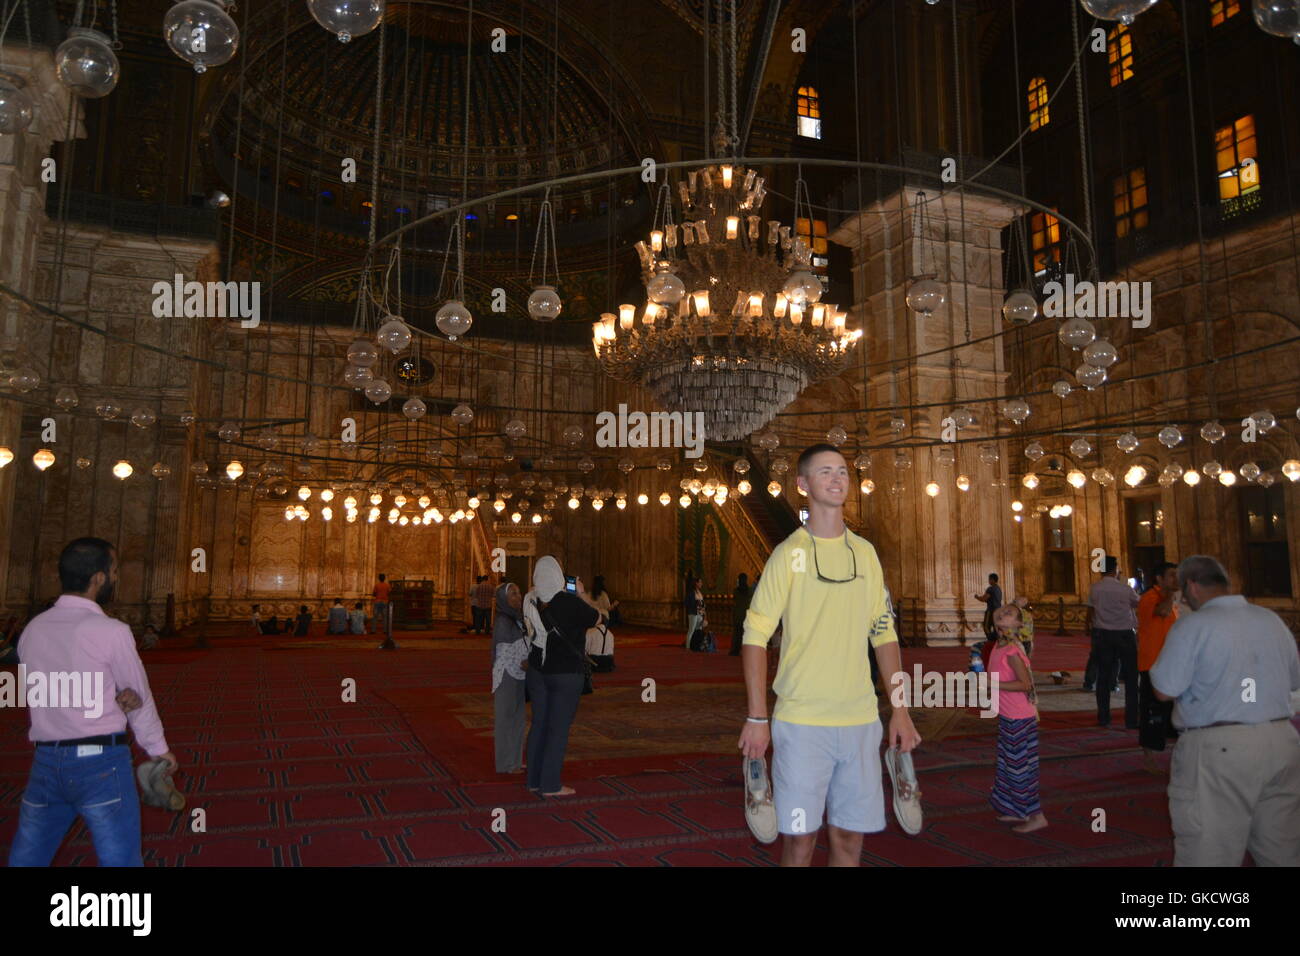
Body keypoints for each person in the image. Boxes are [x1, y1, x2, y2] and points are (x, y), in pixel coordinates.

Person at [738, 444, 921, 867]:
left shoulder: (866, 554)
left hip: (859, 720)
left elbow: (883, 631)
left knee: (849, 840)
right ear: (803, 485)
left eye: (842, 471)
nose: (838, 478)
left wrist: (900, 709)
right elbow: (755, 634)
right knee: (800, 842)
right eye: (825, 472)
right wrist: (756, 716)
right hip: (802, 724)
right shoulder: (788, 555)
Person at [8, 538, 177, 867]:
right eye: (114, 571)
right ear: (99, 578)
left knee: (28, 856)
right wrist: (158, 749)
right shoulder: (110, 631)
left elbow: (49, 691)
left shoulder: (33, 630)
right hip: (100, 763)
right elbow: (138, 696)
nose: (115, 578)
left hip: (46, 760)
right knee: (120, 860)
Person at [1150, 555, 1300, 867]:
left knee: (1208, 851)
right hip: (1282, 741)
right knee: (1282, 850)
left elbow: (1164, 689)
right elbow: (1294, 679)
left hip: (1220, 748)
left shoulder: (1193, 625)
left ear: (1191, 586)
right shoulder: (1269, 619)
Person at [523, 556, 602, 797]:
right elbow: (599, 618)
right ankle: (550, 785)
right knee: (557, 729)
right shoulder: (568, 601)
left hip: (537, 671)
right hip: (565, 673)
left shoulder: (530, 598)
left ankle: (534, 781)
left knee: (538, 725)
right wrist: (580, 593)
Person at [987, 604, 1047, 834]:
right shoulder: (999, 646)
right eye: (1001, 611)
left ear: (1020, 624)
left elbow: (1025, 684)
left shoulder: (1012, 650)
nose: (1003, 613)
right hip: (1009, 715)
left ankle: (1036, 815)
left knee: (1019, 767)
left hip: (1019, 718)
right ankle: (1013, 807)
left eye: (1010, 613)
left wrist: (992, 684)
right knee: (1006, 764)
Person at [1084, 556, 1140, 728]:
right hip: (1124, 634)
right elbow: (1138, 603)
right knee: (1131, 679)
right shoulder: (1125, 589)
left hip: (1103, 635)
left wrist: (1089, 628)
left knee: (1103, 677)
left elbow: (1090, 612)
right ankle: (1131, 720)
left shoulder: (1095, 589)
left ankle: (1103, 717)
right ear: (1115, 569)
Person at [1136, 561, 1179, 768]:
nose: (1176, 580)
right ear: (1159, 579)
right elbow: (1161, 612)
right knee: (1152, 712)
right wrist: (1170, 594)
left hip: (1171, 664)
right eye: (1171, 576)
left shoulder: (1171, 601)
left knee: (1172, 711)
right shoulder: (1149, 599)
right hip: (1152, 665)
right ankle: (1149, 758)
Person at [492, 582, 529, 774]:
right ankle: (505, 763)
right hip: (506, 675)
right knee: (506, 719)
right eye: (513, 594)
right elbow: (504, 651)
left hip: (518, 674)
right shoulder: (502, 621)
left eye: (519, 592)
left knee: (517, 719)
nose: (518, 596)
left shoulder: (517, 619)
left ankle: (514, 761)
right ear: (503, 599)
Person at [586, 576, 616, 672]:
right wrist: (614, 605)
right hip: (608, 662)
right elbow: (608, 607)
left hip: (591, 615)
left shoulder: (589, 594)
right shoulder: (611, 635)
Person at [974, 573, 1002, 643]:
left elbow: (983, 599)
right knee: (996, 627)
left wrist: (977, 597)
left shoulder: (991, 588)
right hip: (998, 611)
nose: (988, 581)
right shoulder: (999, 589)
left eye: (989, 579)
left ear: (992, 580)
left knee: (986, 626)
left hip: (991, 610)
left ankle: (991, 640)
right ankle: (997, 640)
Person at [729, 573, 751, 656]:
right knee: (745, 634)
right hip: (745, 614)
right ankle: (745, 650)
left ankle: (735, 650)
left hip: (737, 614)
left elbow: (735, 601)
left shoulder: (736, 591)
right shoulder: (749, 590)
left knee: (736, 633)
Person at [684, 577, 704, 649]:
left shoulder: (699, 592)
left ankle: (696, 645)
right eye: (700, 582)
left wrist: (703, 610)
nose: (701, 584)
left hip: (700, 614)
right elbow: (686, 603)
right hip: (693, 613)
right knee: (691, 630)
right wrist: (694, 604)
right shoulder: (691, 592)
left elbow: (702, 603)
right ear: (696, 583)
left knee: (699, 630)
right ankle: (688, 646)